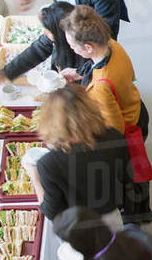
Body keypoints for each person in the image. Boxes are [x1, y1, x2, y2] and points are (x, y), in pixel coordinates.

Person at [61, 6, 152, 223]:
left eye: (73, 46)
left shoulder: (101, 86)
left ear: (88, 47)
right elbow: (100, 68)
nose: (72, 49)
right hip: (137, 107)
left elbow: (114, 131)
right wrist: (79, 74)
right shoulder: (112, 45)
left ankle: (136, 216)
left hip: (127, 129)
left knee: (131, 178)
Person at [30, 85, 130, 223]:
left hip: (76, 227)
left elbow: (52, 212)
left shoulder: (48, 164)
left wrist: (34, 176)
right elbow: (124, 177)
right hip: (111, 215)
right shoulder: (115, 136)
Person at [0, 1, 85, 85]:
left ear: (61, 33)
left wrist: (78, 73)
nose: (44, 33)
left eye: (48, 31)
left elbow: (90, 73)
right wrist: (6, 72)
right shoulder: (55, 37)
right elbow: (36, 51)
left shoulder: (82, 48)